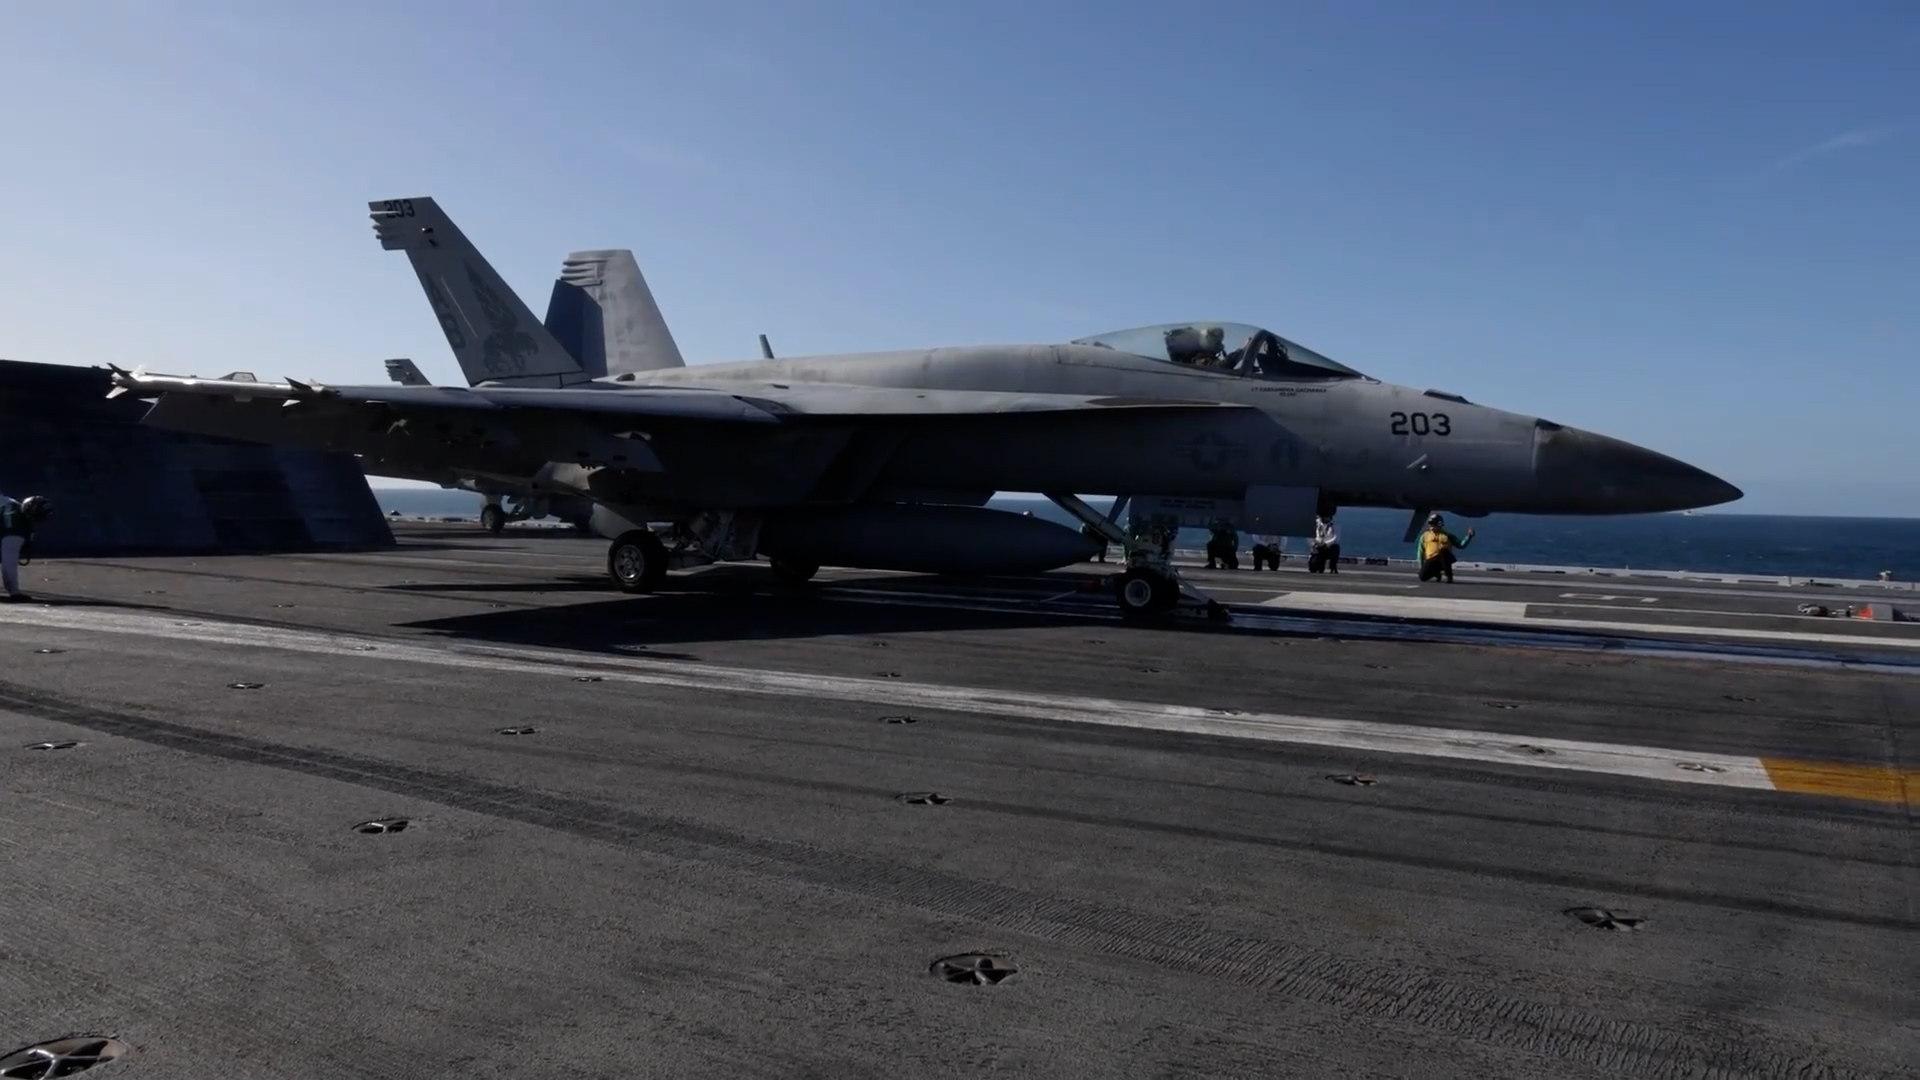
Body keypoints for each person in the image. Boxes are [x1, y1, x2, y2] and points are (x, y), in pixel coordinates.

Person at [1, 494, 52, 601]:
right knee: (9, 555)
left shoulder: (10, 505)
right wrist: (14, 592)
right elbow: (9, 561)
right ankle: (13, 591)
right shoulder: (15, 526)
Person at [1416, 513, 1473, 583]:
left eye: (1434, 523)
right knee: (1422, 577)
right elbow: (1420, 552)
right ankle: (1436, 573)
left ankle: (1449, 576)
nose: (1431, 525)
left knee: (1444, 551)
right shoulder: (1425, 536)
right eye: (1430, 523)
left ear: (1439, 524)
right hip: (1432, 560)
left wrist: (1469, 537)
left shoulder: (1447, 535)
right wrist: (1421, 567)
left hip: (1445, 559)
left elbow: (1461, 545)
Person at [1309, 510, 1342, 574]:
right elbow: (1312, 535)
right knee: (1313, 568)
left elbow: (1335, 538)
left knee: (1336, 547)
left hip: (1328, 547)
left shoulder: (1334, 525)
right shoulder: (1316, 524)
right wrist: (1317, 543)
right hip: (1317, 546)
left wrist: (1326, 544)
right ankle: (1319, 565)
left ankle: (1333, 566)